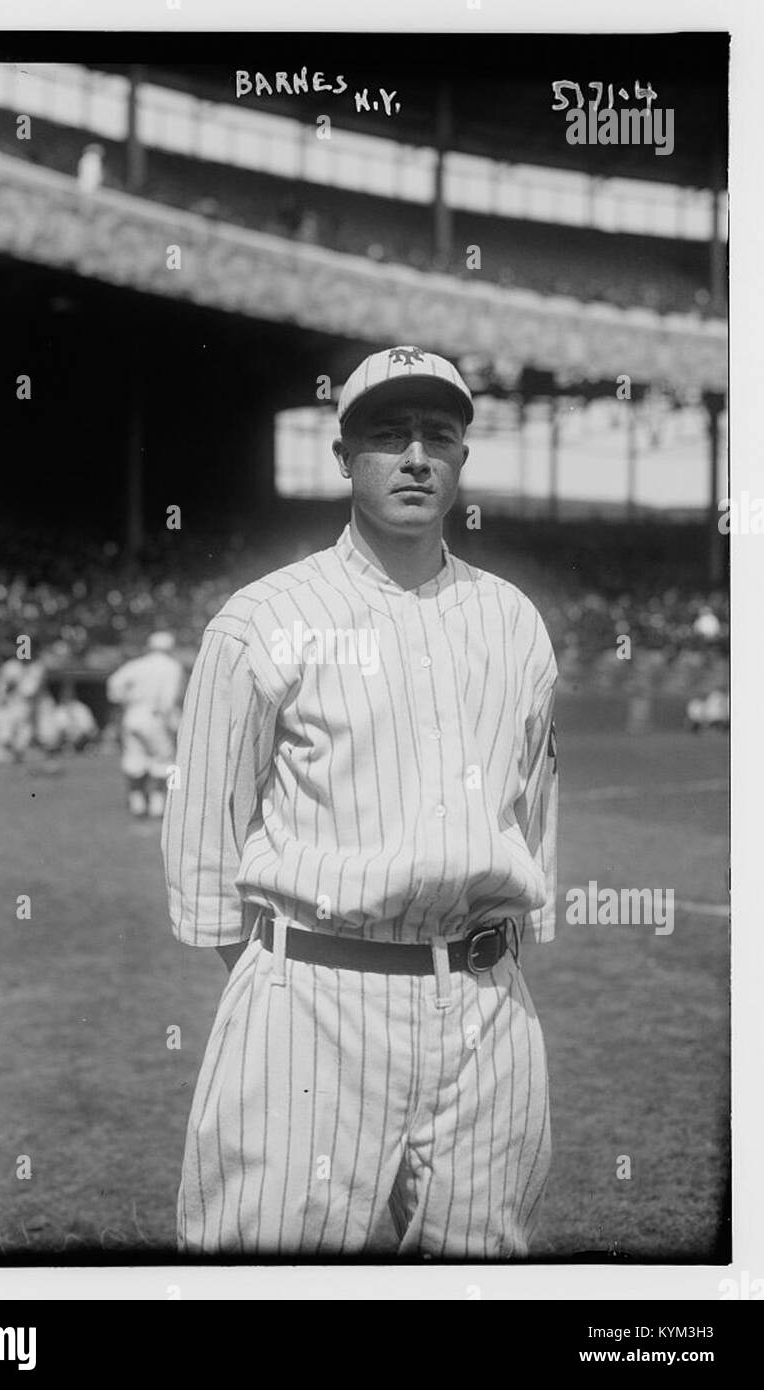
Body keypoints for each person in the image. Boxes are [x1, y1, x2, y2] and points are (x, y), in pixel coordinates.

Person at [162, 345, 559, 1257]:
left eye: (438, 437)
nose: (415, 458)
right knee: (265, 1263)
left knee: (484, 1265)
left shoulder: (514, 621)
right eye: (387, 436)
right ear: (342, 457)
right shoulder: (263, 617)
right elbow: (203, 848)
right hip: (311, 999)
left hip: (488, 1003)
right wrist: (303, 972)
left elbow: (532, 815)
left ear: (462, 460)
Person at [107, 632, 186, 818]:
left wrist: (125, 700)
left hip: (133, 716)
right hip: (157, 718)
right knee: (163, 760)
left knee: (134, 757)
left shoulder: (137, 664)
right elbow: (169, 699)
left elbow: (114, 684)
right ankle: (157, 804)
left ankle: (138, 803)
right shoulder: (172, 667)